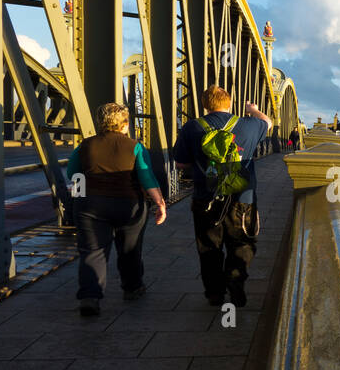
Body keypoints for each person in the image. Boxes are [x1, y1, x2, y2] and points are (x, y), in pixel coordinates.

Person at [66, 103, 167, 316]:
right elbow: (146, 177)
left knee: (92, 251)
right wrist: (159, 203)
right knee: (130, 249)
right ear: (125, 124)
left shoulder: (85, 146)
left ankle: (90, 297)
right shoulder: (135, 146)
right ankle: (132, 288)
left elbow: (73, 173)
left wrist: (81, 196)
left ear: (100, 123)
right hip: (128, 205)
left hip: (90, 206)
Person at [174, 86, 271, 307]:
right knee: (242, 243)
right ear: (229, 103)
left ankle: (215, 294)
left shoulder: (192, 127)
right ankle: (236, 281)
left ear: (204, 104)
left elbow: (180, 163)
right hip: (242, 199)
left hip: (205, 198)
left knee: (209, 246)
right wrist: (252, 110)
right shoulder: (248, 124)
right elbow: (269, 122)